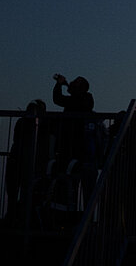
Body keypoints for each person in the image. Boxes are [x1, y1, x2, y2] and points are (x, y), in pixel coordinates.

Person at [51, 73, 97, 209]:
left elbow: (60, 99)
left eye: (75, 82)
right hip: (70, 147)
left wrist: (62, 85)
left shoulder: (85, 99)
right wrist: (62, 85)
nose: (71, 83)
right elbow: (59, 99)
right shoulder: (79, 99)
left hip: (79, 149)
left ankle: (80, 218)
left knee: (78, 182)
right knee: (69, 183)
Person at [5, 99, 46, 226]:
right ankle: (19, 219)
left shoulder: (22, 122)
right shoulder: (38, 124)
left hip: (17, 160)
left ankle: (13, 218)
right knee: (23, 193)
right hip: (24, 161)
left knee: (16, 193)